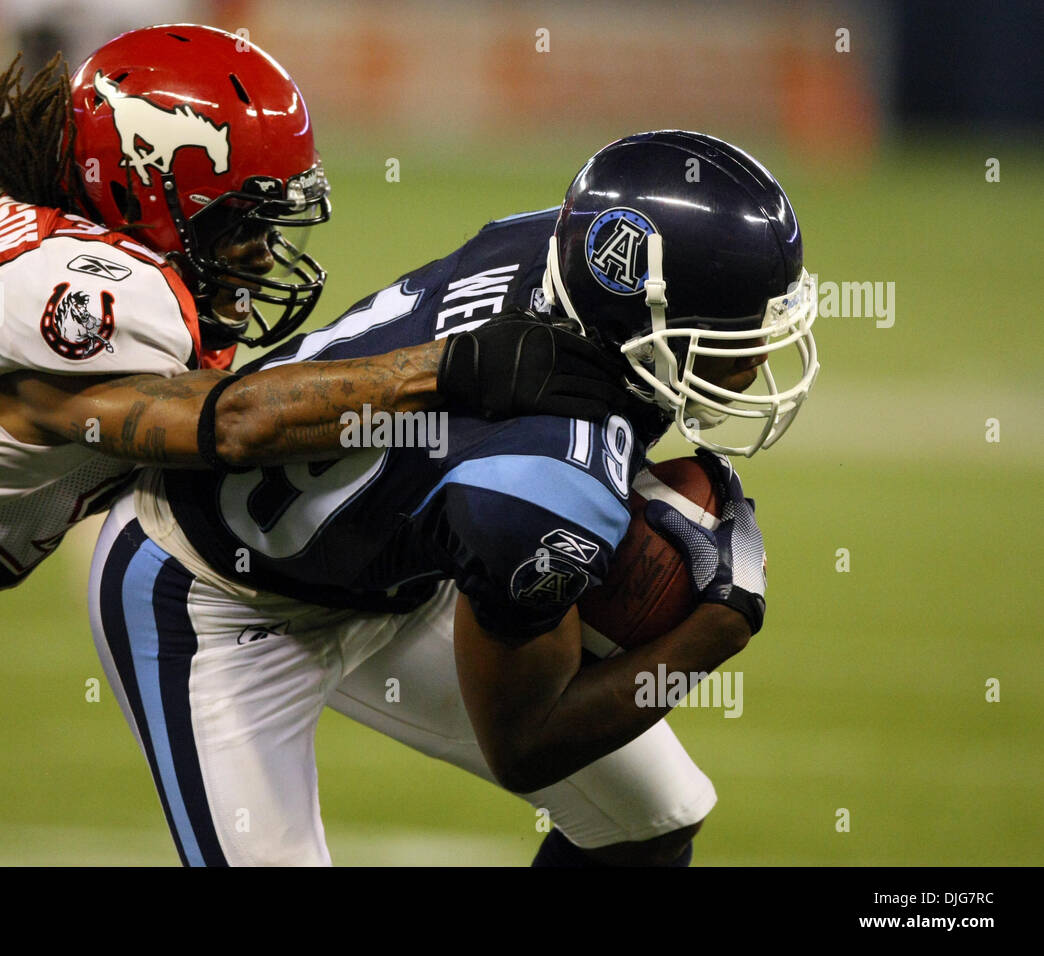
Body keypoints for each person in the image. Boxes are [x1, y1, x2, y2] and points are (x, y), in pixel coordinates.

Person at [0, 25, 618, 866]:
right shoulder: (74, 290)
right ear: (145, 185)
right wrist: (453, 369)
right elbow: (228, 425)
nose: (262, 250)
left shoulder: (77, 249)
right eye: (240, 220)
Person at [89, 130, 821, 866]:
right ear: (646, 317)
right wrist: (717, 626)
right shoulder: (546, 482)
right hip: (212, 592)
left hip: (389, 557)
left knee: (650, 818)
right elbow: (526, 745)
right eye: (738, 327)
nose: (758, 352)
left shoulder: (559, 248)